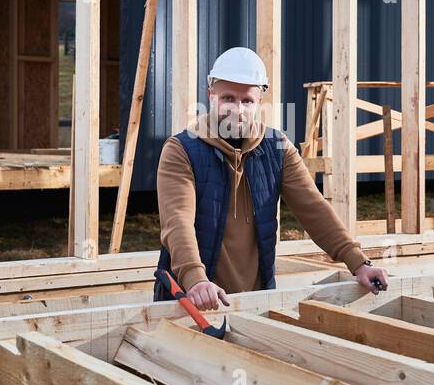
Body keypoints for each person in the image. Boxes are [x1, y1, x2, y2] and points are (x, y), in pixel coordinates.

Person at [156, 46, 390, 310]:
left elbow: (313, 208)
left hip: (257, 298)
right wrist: (195, 279)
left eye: (247, 101)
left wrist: (357, 262)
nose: (238, 110)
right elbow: (178, 222)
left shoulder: (277, 147)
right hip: (195, 299)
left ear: (259, 102)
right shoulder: (181, 150)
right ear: (211, 96)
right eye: (228, 98)